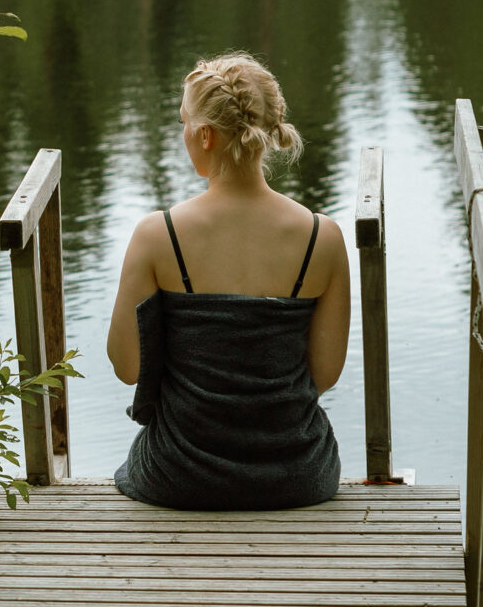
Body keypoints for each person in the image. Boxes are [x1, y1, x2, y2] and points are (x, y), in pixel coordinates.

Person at [104, 52, 347, 510]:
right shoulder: (322, 237)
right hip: (298, 475)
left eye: (183, 123)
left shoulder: (159, 235)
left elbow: (127, 367)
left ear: (206, 135)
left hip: (178, 475)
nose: (182, 136)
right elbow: (325, 374)